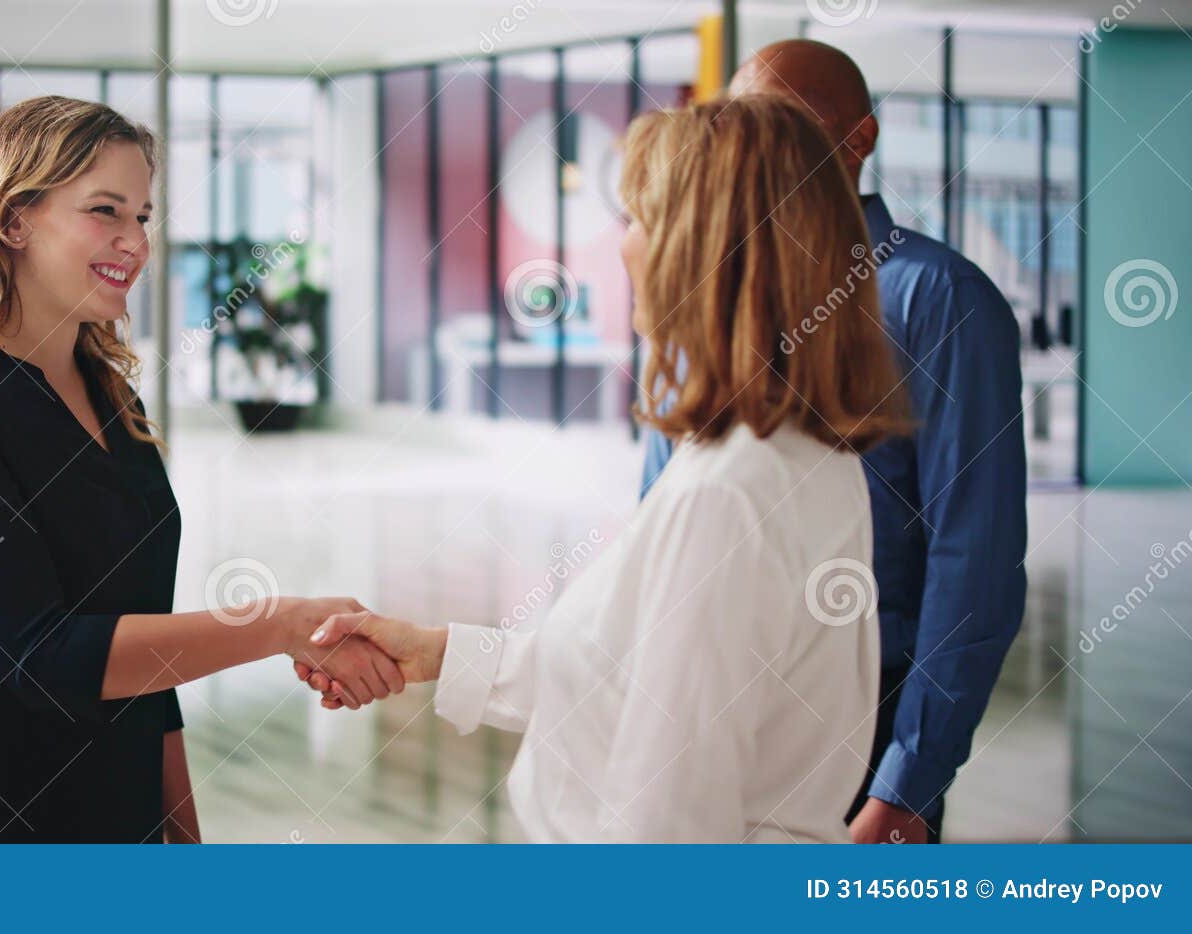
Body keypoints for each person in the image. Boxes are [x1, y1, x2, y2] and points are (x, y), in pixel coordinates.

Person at [300, 95, 912, 842]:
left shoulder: (728, 495)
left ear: (704, 247)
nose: (622, 246)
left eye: (637, 219)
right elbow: (619, 678)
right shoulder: (798, 455)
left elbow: (666, 821)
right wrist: (436, 654)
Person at [0, 96, 402, 843]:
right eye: (105, 211)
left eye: (143, 216)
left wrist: (180, 835)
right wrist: (279, 624)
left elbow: (143, 651)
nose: (135, 242)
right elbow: (47, 657)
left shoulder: (110, 394)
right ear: (11, 220)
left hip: (117, 821)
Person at [642, 40, 1029, 843]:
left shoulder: (940, 302)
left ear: (861, 140)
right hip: (712, 707)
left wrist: (909, 782)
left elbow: (976, 558)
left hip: (863, 719)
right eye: (747, 124)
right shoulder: (707, 299)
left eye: (791, 124)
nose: (764, 147)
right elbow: (656, 525)